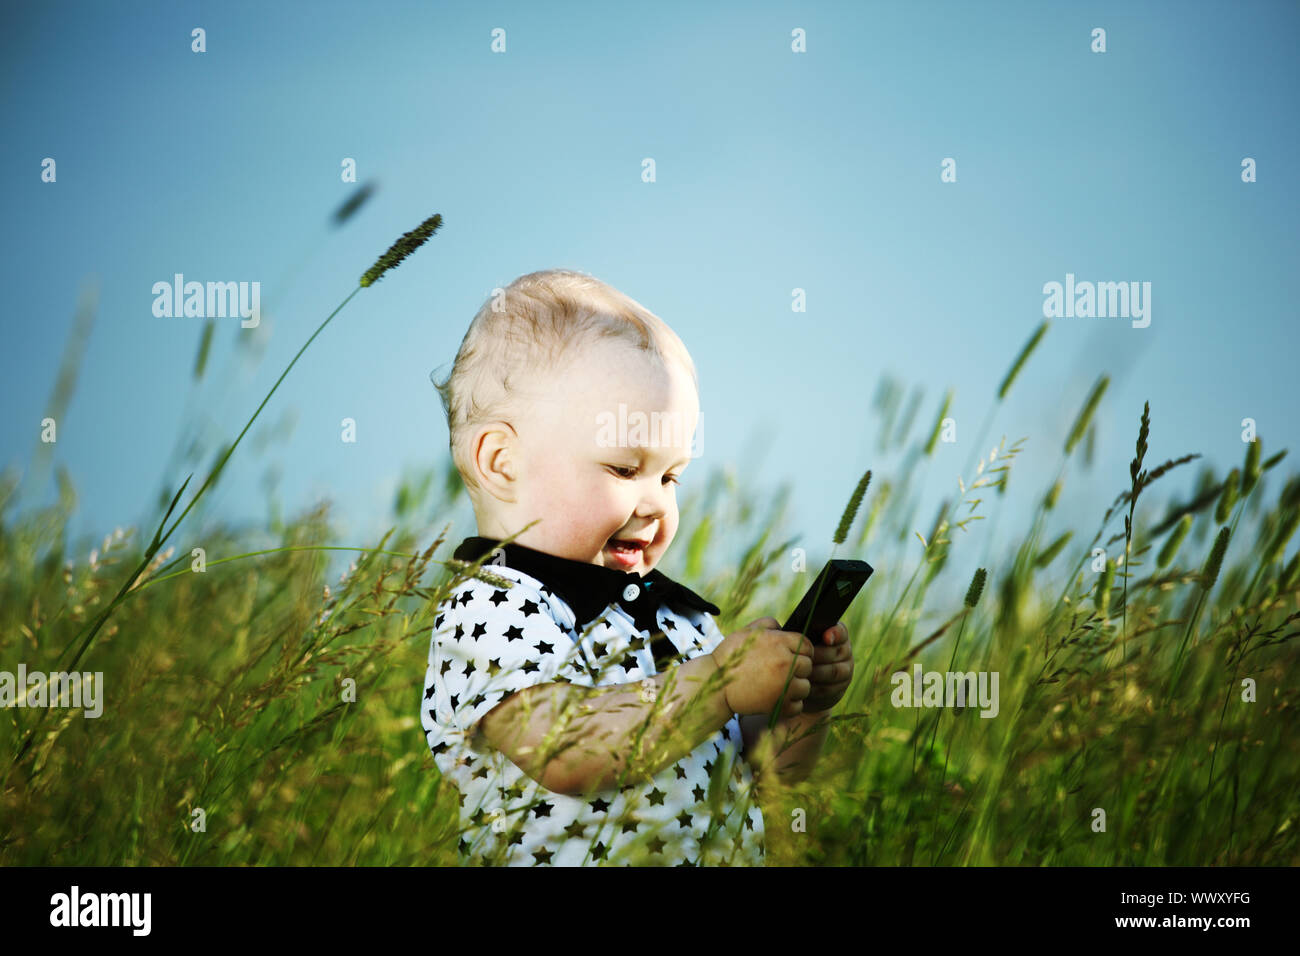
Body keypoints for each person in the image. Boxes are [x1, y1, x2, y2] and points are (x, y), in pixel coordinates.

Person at [421, 269, 854, 865]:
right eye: (625, 470)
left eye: (670, 476)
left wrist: (799, 704)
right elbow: (563, 748)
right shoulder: (493, 606)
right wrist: (720, 683)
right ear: (502, 462)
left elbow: (769, 781)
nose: (655, 503)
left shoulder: (679, 619)